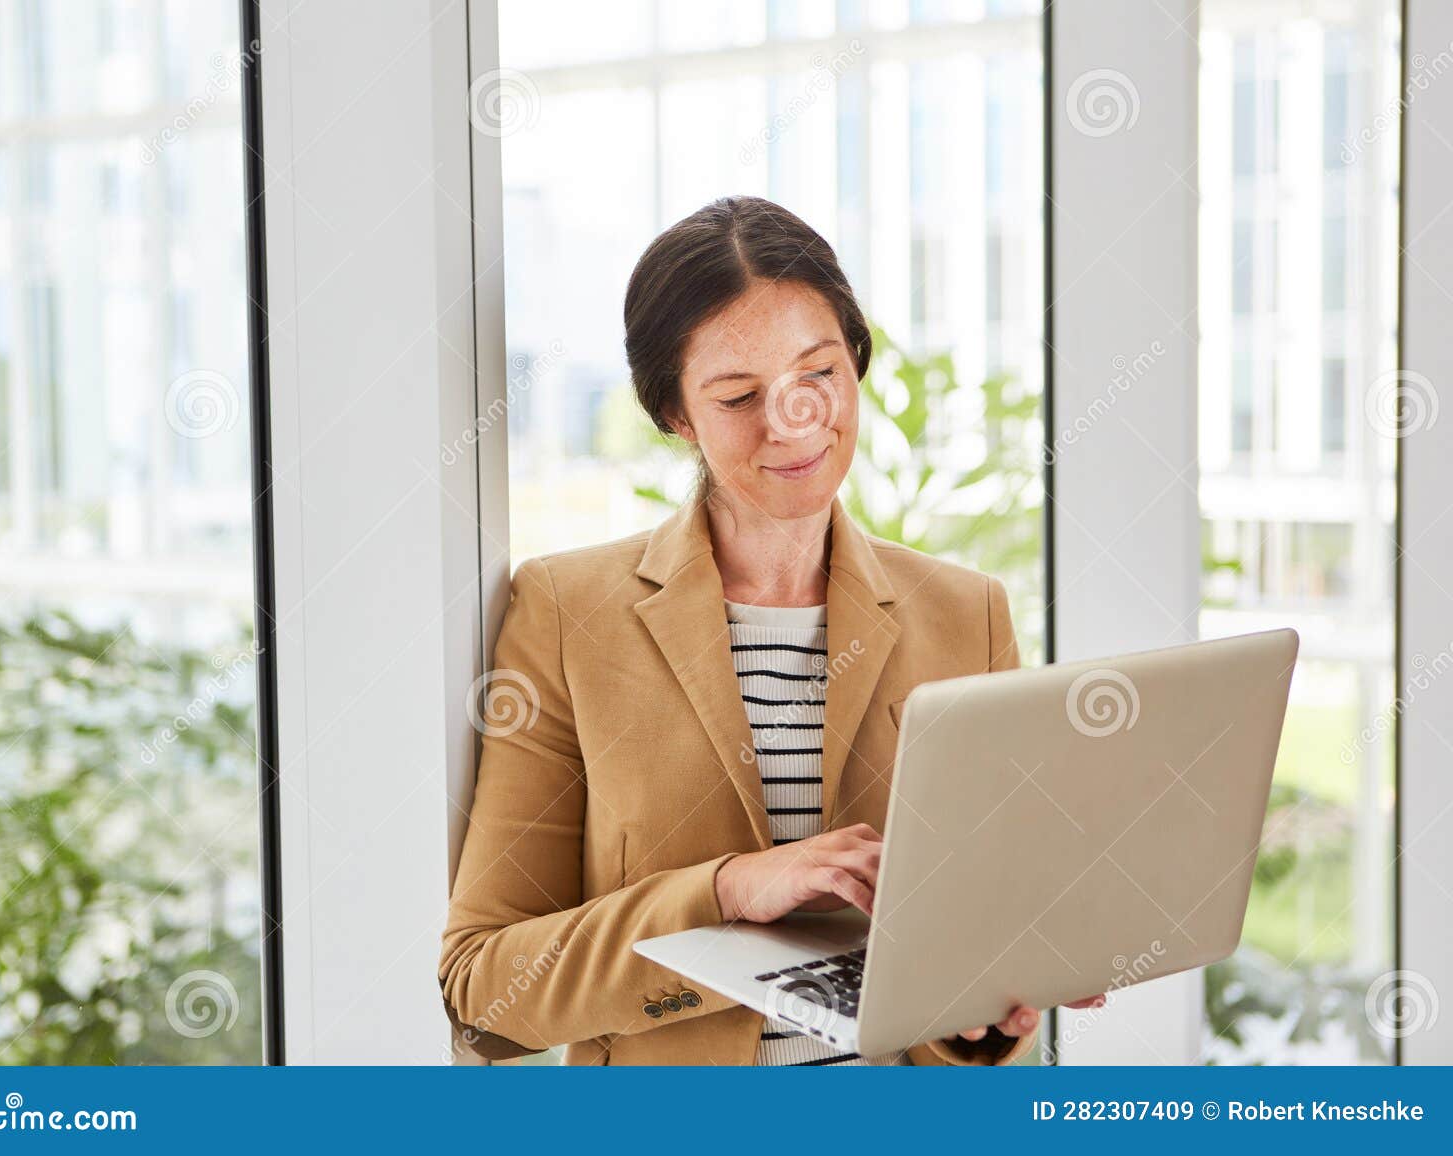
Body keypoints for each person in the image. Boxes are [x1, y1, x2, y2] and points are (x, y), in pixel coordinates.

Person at [439, 195, 1103, 1066]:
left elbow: (978, 952)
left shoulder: (966, 614)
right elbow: (485, 989)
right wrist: (724, 893)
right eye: (739, 395)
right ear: (676, 414)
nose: (790, 422)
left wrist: (980, 1014)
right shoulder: (568, 613)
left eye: (818, 375)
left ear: (856, 366)